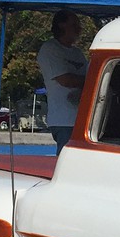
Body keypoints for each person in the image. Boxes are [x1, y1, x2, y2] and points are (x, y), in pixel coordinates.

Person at [37, 10, 88, 149]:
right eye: (74, 25)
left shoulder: (77, 53)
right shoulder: (50, 49)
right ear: (61, 25)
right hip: (64, 120)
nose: (79, 29)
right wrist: (90, 82)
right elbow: (65, 80)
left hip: (83, 119)